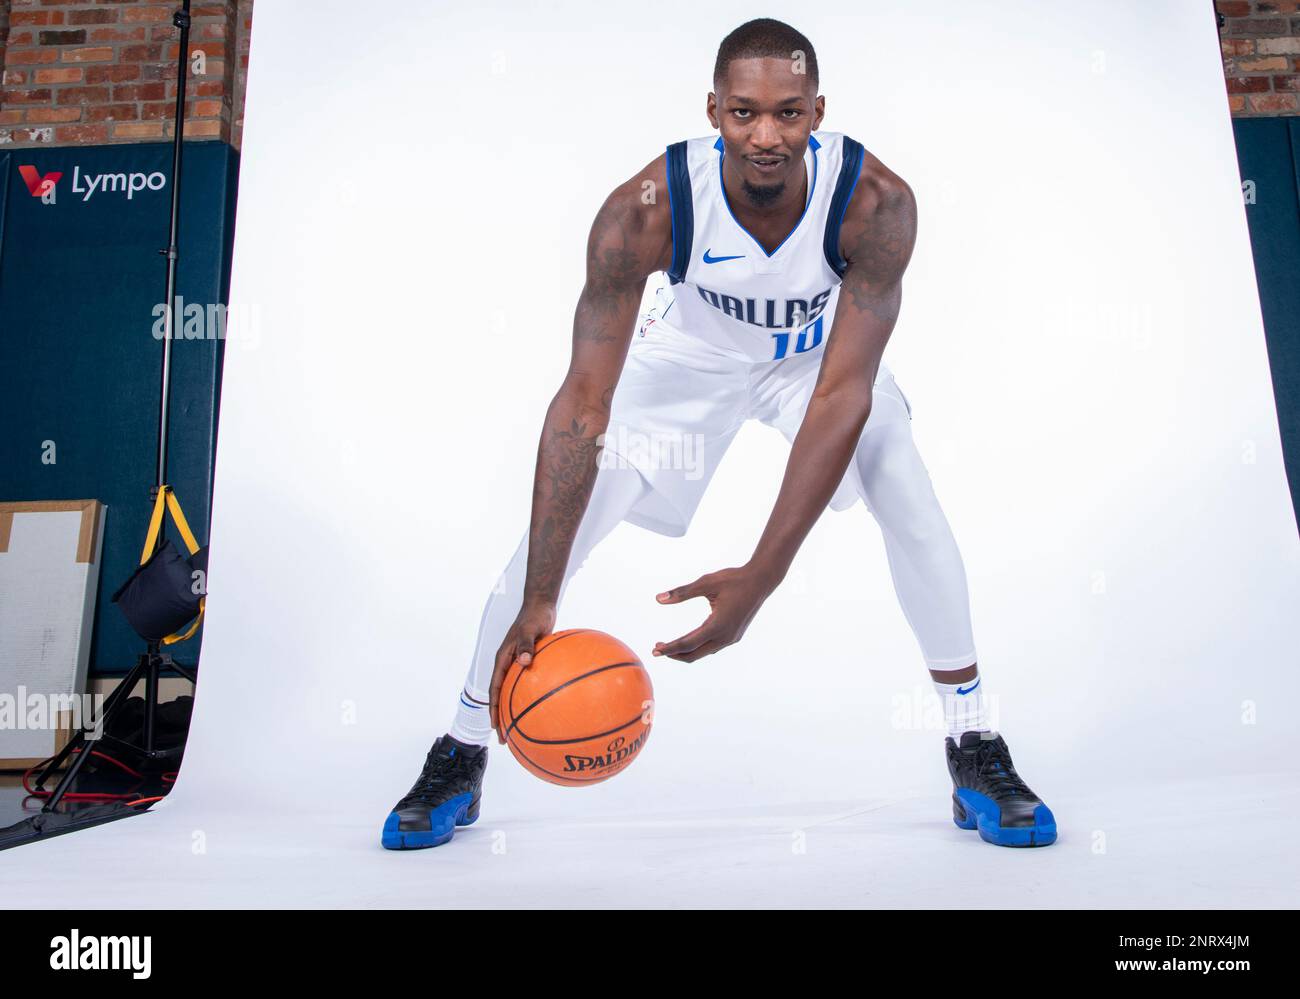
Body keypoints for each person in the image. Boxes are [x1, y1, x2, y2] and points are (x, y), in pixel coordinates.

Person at [383, 18, 1056, 851]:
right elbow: (583, 403)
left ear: (818, 111)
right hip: (688, 356)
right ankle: (463, 747)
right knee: (544, 546)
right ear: (713, 110)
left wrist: (761, 575)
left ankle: (973, 742)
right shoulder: (647, 210)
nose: (766, 135)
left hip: (815, 359)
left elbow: (844, 395)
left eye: (787, 113)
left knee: (904, 482)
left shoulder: (876, 203)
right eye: (744, 113)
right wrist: (545, 594)